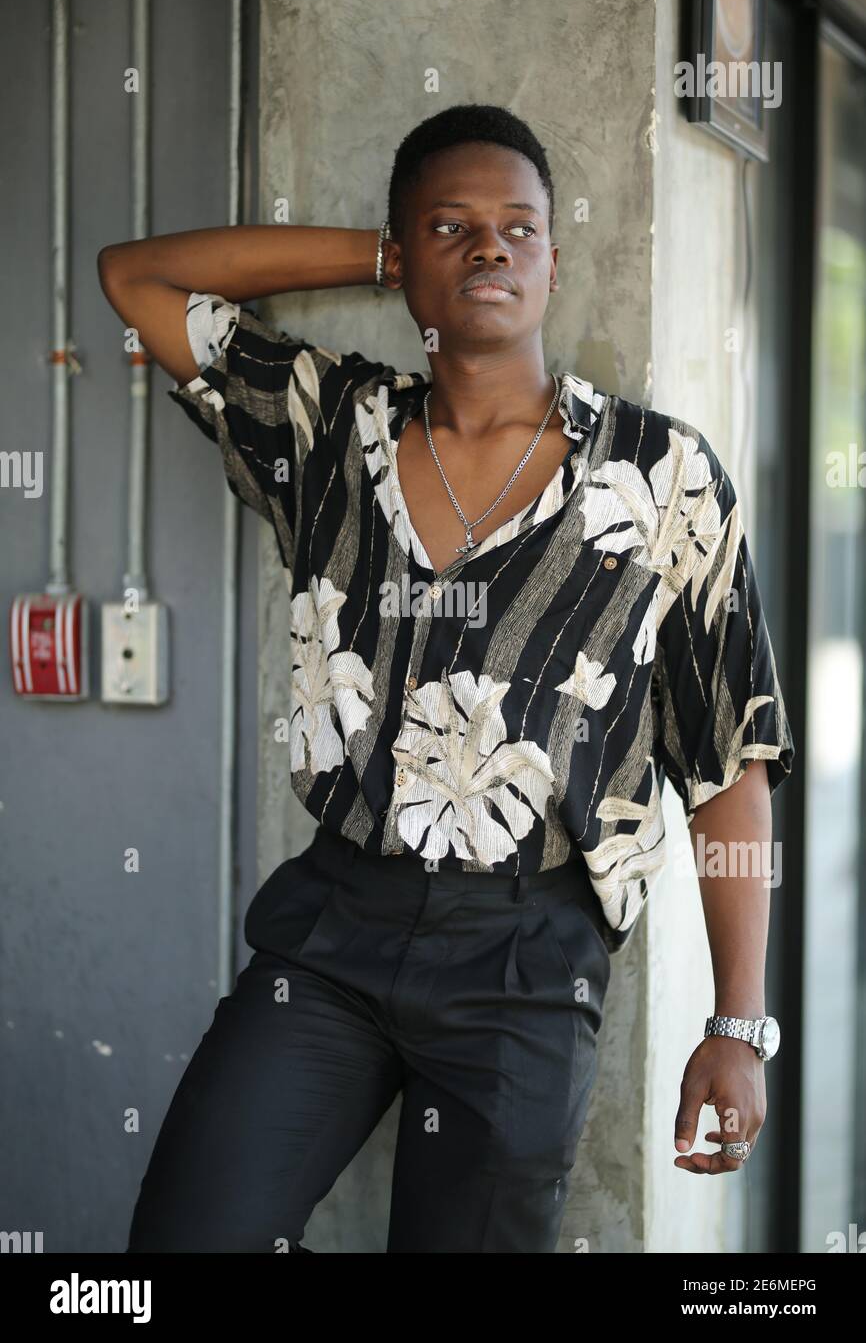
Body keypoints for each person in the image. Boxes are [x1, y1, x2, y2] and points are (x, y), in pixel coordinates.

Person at [98, 103, 794, 1254]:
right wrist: (373, 257)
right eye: (448, 229)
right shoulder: (328, 429)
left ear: (554, 262)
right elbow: (139, 282)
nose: (489, 250)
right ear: (404, 257)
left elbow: (727, 766)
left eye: (519, 229)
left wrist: (736, 1021)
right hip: (331, 936)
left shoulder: (661, 480)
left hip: (526, 959)